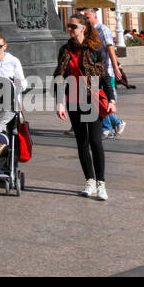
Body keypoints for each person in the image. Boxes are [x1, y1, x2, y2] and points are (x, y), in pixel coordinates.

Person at [54, 13, 113, 200]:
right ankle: (89, 180)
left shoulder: (95, 48)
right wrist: (59, 102)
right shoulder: (65, 49)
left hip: (92, 96)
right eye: (68, 26)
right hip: (73, 98)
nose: (69, 29)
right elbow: (59, 76)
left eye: (73, 26)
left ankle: (101, 183)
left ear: (83, 28)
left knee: (95, 141)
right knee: (82, 142)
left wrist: (111, 99)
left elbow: (104, 77)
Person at [84, 8, 134, 89]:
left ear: (95, 17)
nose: (86, 21)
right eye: (85, 18)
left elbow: (110, 48)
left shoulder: (102, 29)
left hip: (106, 68)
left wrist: (115, 67)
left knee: (109, 94)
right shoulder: (88, 31)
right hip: (94, 69)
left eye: (87, 18)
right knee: (96, 95)